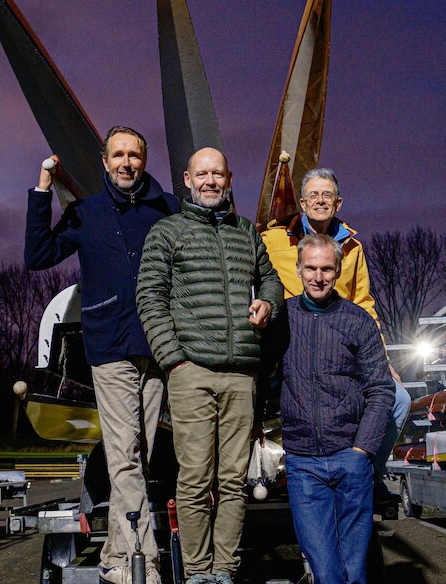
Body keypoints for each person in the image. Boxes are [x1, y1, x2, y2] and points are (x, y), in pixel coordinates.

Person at [25, 126, 179, 584]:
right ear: (105, 161)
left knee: (141, 453)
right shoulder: (86, 213)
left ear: (143, 161)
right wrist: (42, 191)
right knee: (125, 454)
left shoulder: (167, 208)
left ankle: (114, 555)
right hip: (109, 345)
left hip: (156, 345)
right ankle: (141, 562)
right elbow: (38, 254)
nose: (126, 162)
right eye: (118, 154)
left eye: (134, 154)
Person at [136, 147, 283, 584]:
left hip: (242, 375)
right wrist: (175, 362)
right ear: (187, 179)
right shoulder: (167, 232)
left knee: (233, 481)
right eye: (203, 174)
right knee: (196, 478)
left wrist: (268, 303)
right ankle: (198, 573)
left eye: (218, 174)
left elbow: (271, 279)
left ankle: (225, 572)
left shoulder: (245, 232)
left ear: (229, 177)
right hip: (191, 372)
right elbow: (150, 299)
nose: (211, 181)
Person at [261, 168, 411, 505]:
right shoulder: (273, 240)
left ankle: (367, 473)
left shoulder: (353, 247)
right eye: (313, 195)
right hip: (292, 346)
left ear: (338, 202)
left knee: (399, 399)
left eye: (326, 195)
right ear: (301, 202)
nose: (319, 200)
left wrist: (383, 362)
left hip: (343, 347)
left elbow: (364, 304)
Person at [270, 232, 395, 584]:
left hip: (350, 459)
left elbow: (380, 389)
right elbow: (261, 374)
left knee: (355, 574)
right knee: (326, 572)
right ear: (298, 269)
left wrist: (362, 450)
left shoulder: (358, 321)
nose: (318, 277)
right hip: (303, 464)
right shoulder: (282, 319)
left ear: (338, 270)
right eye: (310, 268)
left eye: (326, 268)